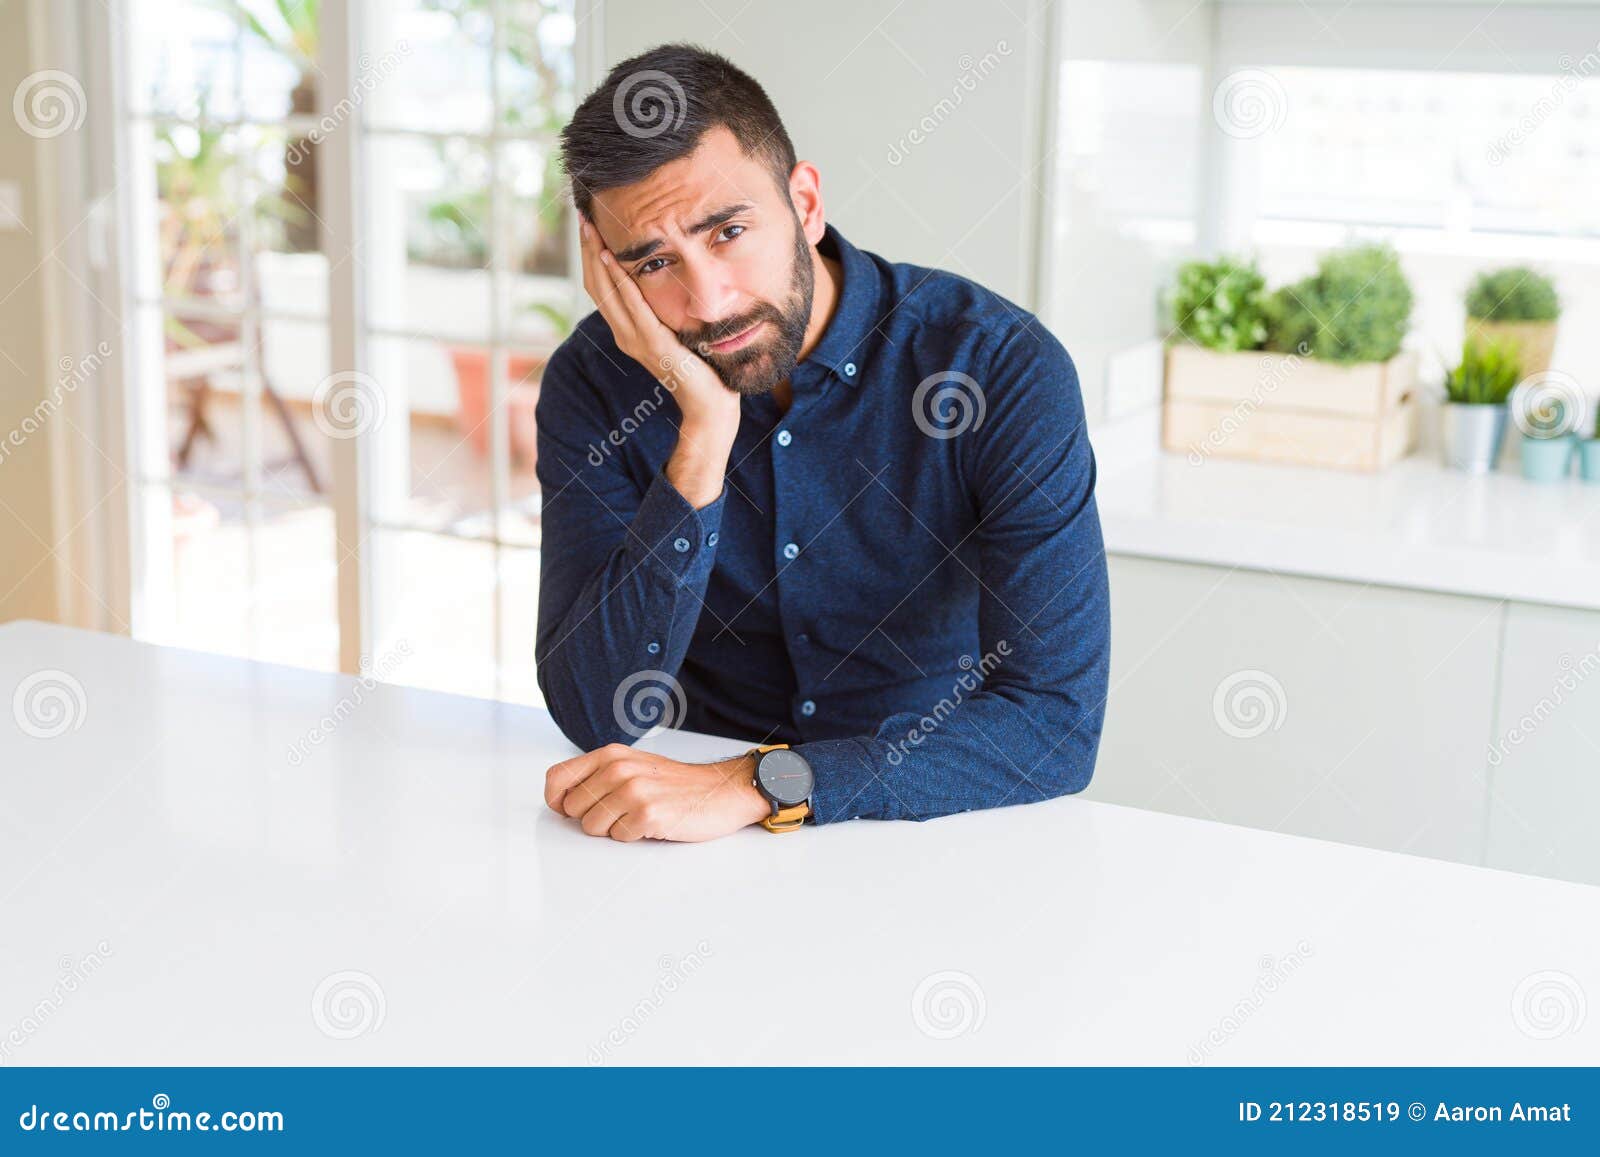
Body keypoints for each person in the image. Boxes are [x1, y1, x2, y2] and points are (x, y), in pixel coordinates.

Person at [537, 43, 1109, 842]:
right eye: (655, 262)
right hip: (686, 842)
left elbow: (1053, 723)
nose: (708, 301)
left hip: (926, 825)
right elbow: (591, 706)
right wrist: (701, 439)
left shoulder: (998, 365)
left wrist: (762, 782)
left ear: (805, 202)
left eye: (730, 231)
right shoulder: (595, 383)